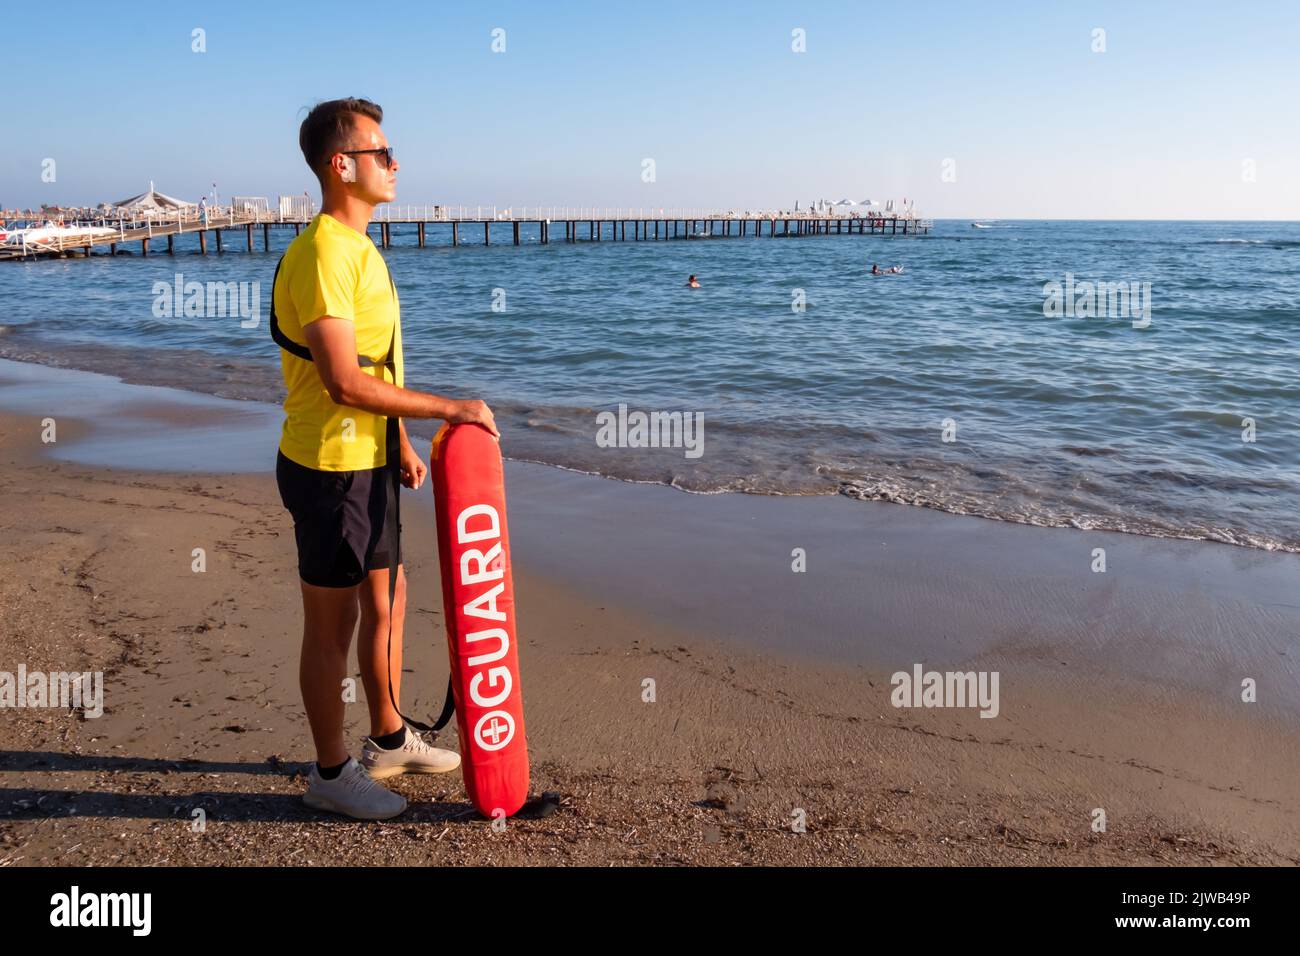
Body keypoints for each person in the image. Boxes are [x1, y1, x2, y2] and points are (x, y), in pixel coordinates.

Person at [273, 97, 499, 820]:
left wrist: (399, 439)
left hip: (370, 458)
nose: (396, 164)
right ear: (343, 165)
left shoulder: (363, 248)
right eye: (383, 153)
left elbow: (380, 363)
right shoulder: (320, 253)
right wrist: (450, 410)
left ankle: (390, 737)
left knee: (389, 599)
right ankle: (331, 773)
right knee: (332, 626)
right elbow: (341, 379)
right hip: (328, 467)